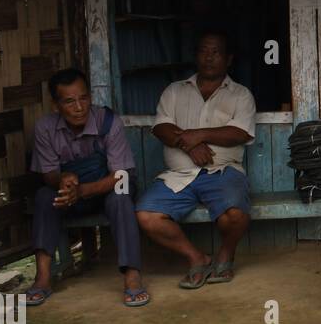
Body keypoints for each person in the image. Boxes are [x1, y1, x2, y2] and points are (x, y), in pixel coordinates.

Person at [135, 30, 256, 289]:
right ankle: (197, 258)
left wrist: (199, 135)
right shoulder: (175, 91)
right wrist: (187, 144)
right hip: (179, 176)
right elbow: (161, 127)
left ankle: (225, 254)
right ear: (195, 56)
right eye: (203, 51)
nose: (209, 57)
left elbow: (240, 132)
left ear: (229, 59)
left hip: (223, 172)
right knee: (146, 215)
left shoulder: (240, 94)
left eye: (216, 52)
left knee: (234, 215)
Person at [28, 68, 147, 307]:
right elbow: (48, 174)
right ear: (56, 105)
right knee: (43, 196)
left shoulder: (108, 121)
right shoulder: (45, 128)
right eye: (69, 101)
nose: (79, 107)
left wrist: (81, 191)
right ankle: (42, 278)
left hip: (107, 189)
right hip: (71, 194)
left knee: (122, 194)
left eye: (83, 98)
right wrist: (63, 179)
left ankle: (132, 276)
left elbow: (121, 174)